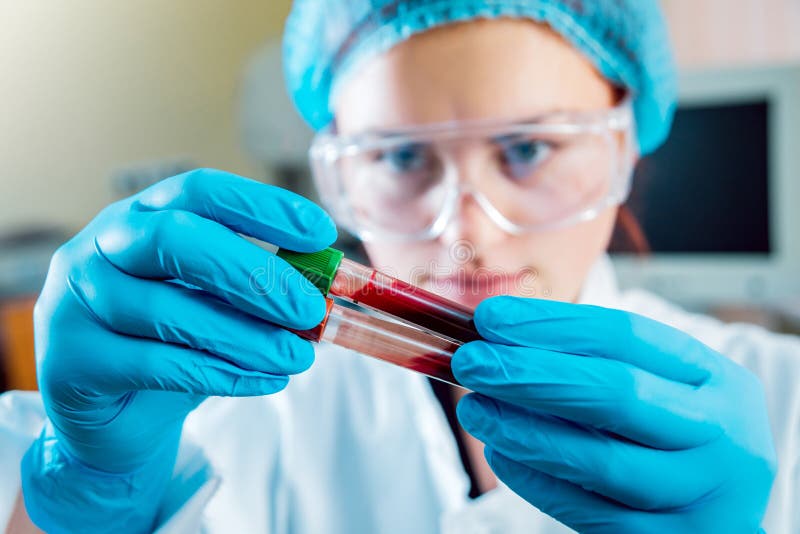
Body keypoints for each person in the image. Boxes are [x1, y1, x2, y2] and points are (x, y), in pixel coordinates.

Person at [1, 1, 798, 532]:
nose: (465, 235)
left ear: (621, 150)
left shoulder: (781, 403)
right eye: (401, 156)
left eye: (528, 149)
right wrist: (85, 491)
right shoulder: (239, 414)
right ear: (338, 173)